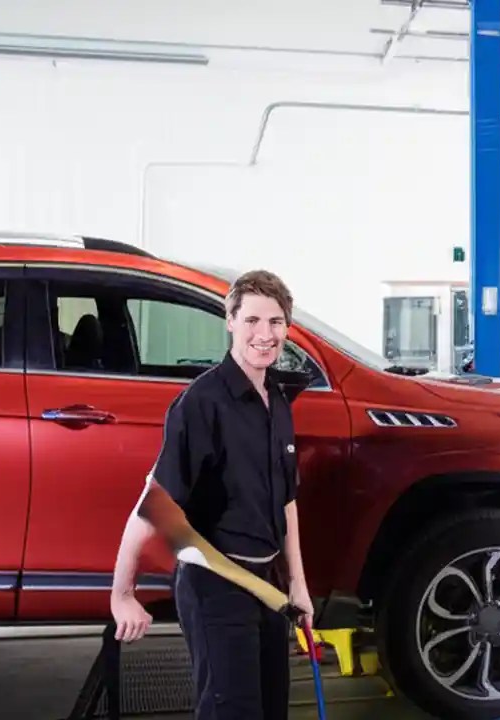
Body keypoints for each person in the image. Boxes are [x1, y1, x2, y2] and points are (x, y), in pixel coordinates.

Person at [108, 269, 313, 719]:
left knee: (271, 710)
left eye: (276, 322)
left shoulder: (277, 400)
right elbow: (156, 503)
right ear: (230, 321)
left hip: (267, 587)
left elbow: (287, 502)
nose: (265, 334)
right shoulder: (202, 403)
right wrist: (122, 593)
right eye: (253, 321)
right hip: (215, 584)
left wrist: (297, 583)